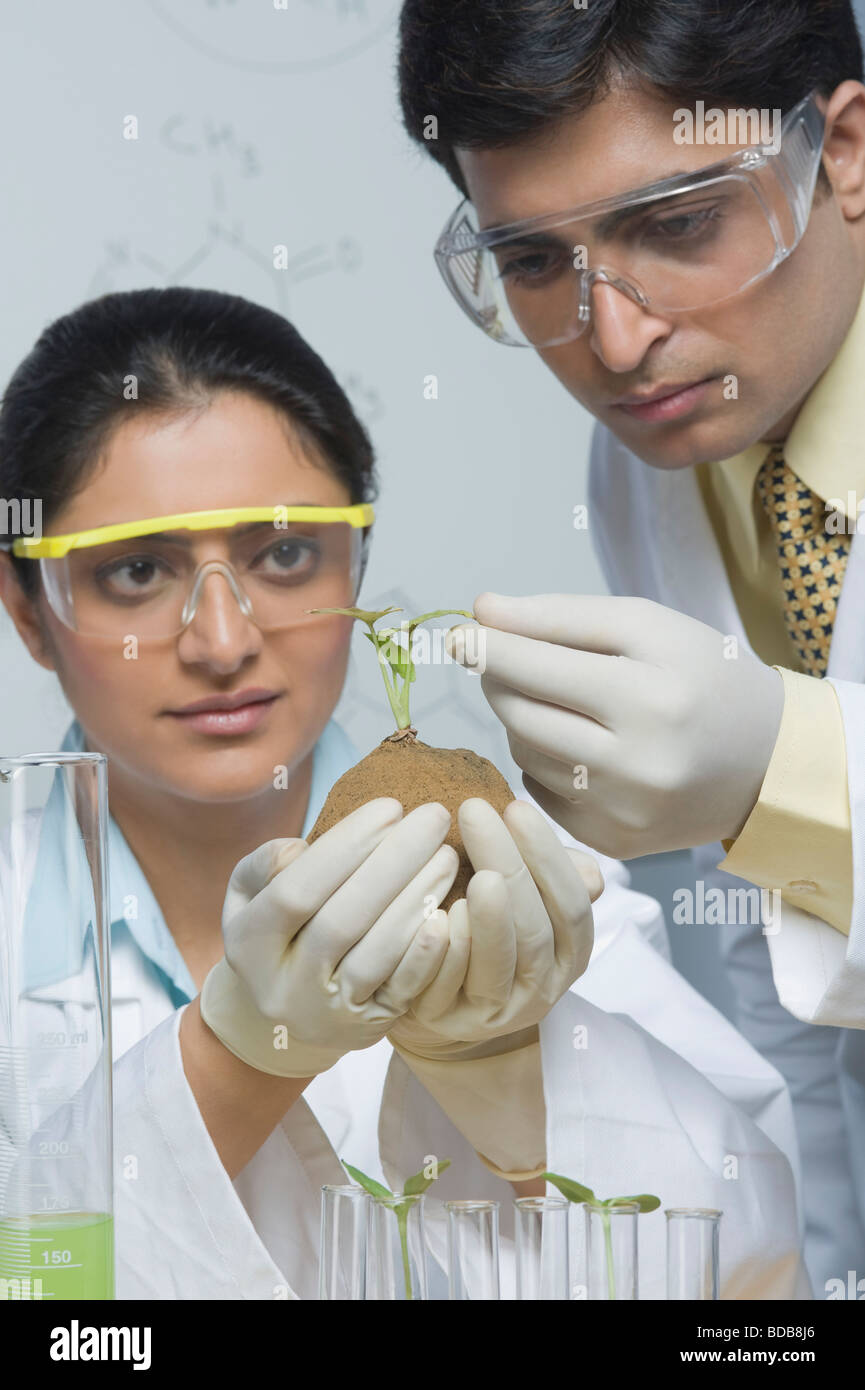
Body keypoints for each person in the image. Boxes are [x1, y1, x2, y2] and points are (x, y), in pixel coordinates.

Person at [0, 287, 807, 1298]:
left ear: (358, 554)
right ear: (27, 609)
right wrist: (234, 1060)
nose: (222, 640)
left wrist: (507, 1062)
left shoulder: (543, 892)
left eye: (286, 553)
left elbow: (749, 1283)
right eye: (135, 572)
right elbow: (37, 1293)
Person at [397, 0, 865, 1293]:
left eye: (675, 227)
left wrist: (785, 770)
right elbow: (795, 994)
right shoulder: (653, 462)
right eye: (537, 261)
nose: (612, 340)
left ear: (843, 154)